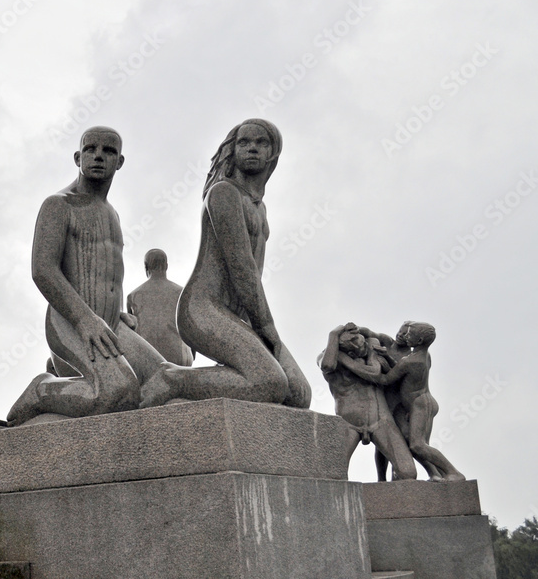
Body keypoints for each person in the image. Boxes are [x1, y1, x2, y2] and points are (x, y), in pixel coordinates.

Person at [7, 127, 174, 426]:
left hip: (109, 324)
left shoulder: (113, 214)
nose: (98, 155)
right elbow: (42, 270)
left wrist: (119, 313)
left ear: (120, 162)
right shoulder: (59, 204)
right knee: (119, 392)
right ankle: (42, 389)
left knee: (166, 379)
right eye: (90, 149)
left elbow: (109, 274)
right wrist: (84, 319)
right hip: (70, 320)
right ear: (77, 157)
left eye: (108, 151)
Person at [147, 119, 311, 408]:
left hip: (240, 315)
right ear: (231, 150)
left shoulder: (260, 207)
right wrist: (268, 328)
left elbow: (254, 273)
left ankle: (216, 384)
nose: (252, 148)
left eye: (261, 143)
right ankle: (172, 379)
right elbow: (243, 269)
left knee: (298, 394)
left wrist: (259, 328)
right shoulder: (223, 193)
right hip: (203, 308)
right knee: (268, 382)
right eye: (244, 142)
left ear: (273, 153)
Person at [339, 322, 465, 482]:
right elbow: (401, 370)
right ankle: (439, 474)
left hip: (419, 405)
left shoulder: (411, 361)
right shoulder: (423, 355)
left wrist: (357, 365)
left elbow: (385, 379)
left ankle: (451, 472)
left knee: (418, 445)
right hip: (416, 403)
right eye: (403, 332)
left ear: (418, 341)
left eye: (408, 334)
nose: (404, 336)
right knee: (412, 443)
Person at [319, 323, 417, 480]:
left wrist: (365, 354)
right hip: (348, 421)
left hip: (380, 419)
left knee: (408, 472)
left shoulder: (372, 346)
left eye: (362, 340)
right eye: (358, 345)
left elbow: (374, 372)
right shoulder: (329, 357)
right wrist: (333, 334)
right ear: (348, 351)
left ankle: (384, 481)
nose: (363, 344)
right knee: (332, 474)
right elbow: (327, 366)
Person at [126, 249, 194, 366]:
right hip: (180, 359)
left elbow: (131, 334)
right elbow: (191, 328)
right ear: (166, 266)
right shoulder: (183, 293)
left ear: (146, 267)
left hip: (146, 360)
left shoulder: (133, 296)